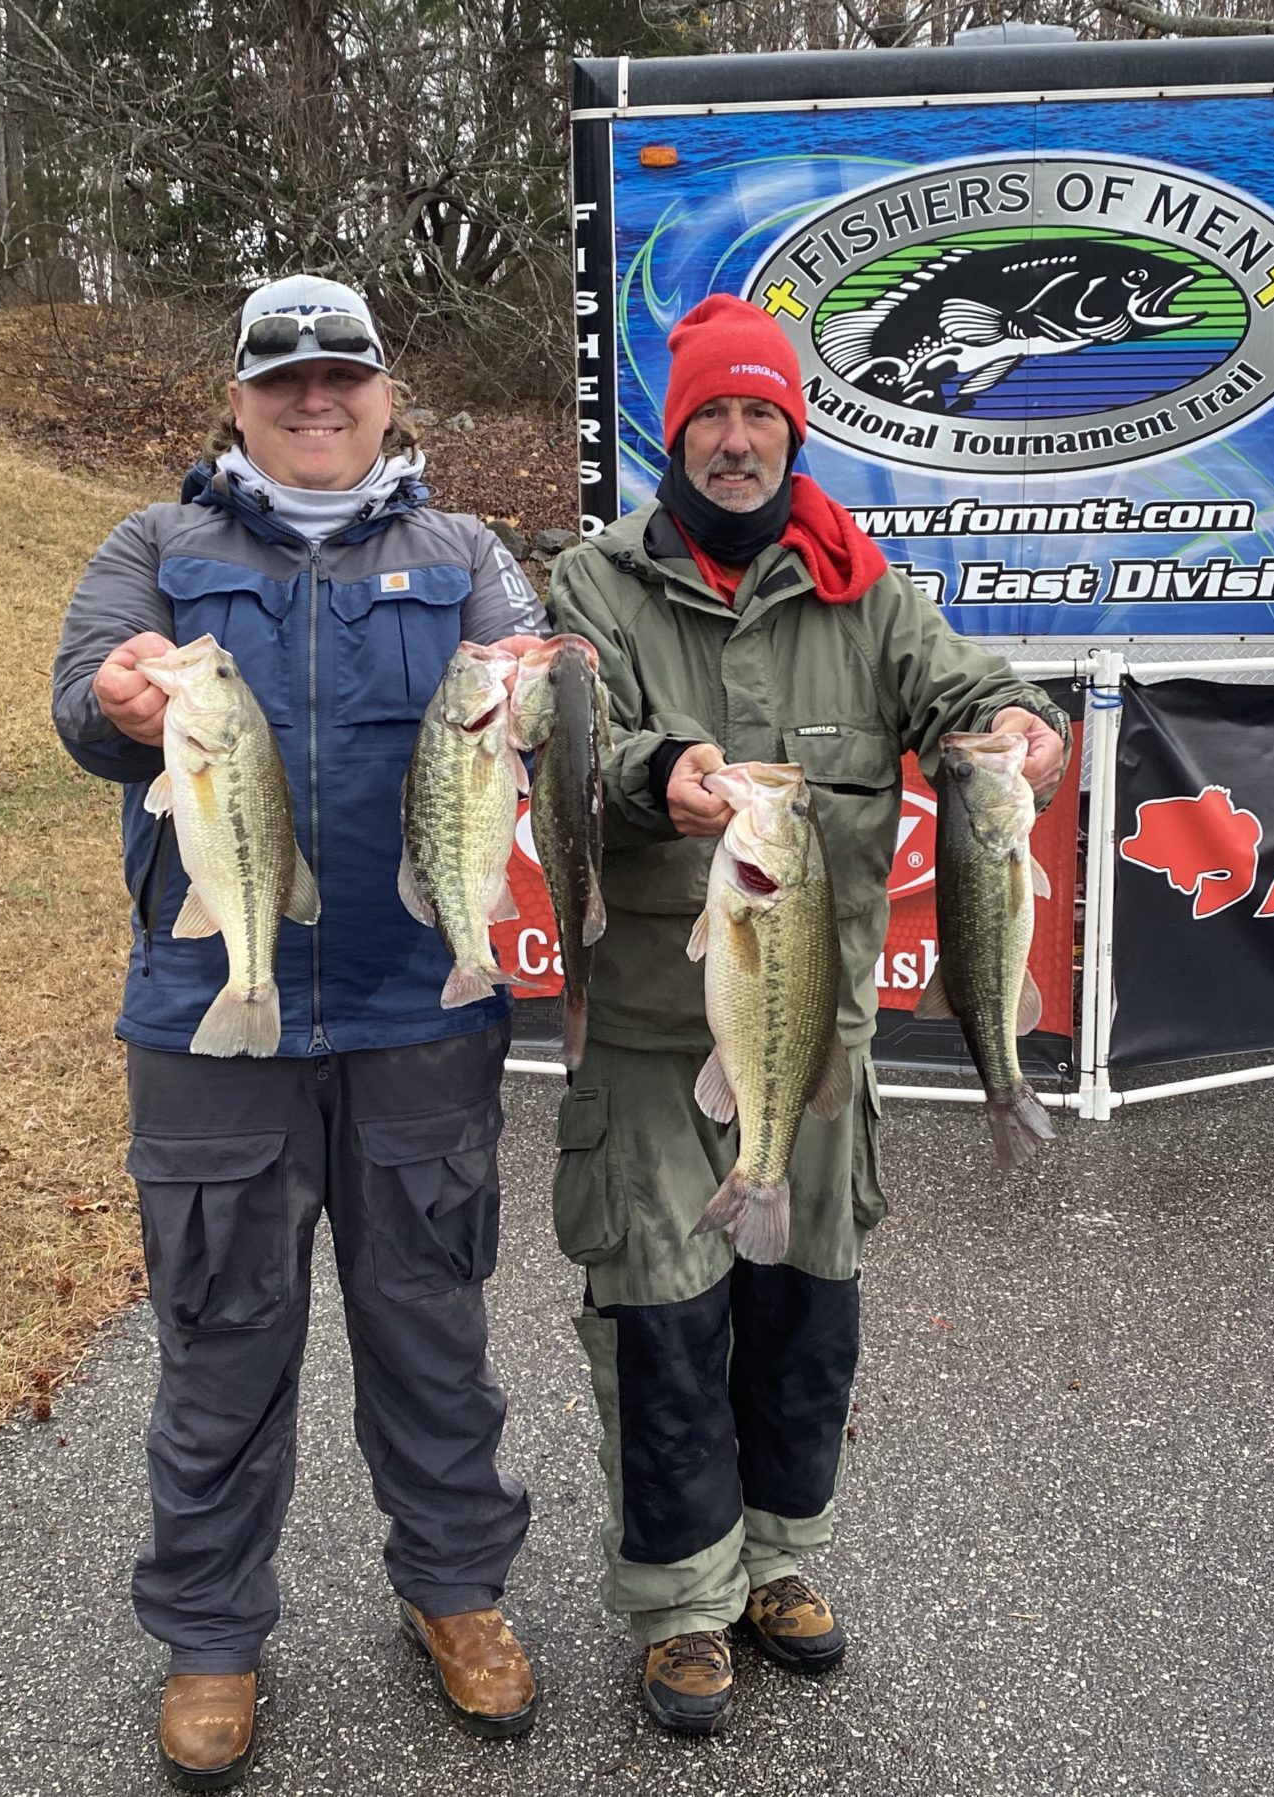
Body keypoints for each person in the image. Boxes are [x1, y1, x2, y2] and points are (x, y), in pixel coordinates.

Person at [543, 293, 1069, 1736]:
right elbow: (577, 741)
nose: (733, 439)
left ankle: (780, 1558)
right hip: (659, 1037)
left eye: (758, 415)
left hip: (816, 1040)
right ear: (676, 431)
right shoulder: (594, 584)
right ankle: (681, 1599)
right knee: (659, 1319)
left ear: (793, 431)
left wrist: (1024, 723)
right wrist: (664, 777)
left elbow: (974, 689)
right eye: (710, 413)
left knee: (803, 1313)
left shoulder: (868, 593)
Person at [50, 275, 548, 1789]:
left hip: (422, 1012)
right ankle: (211, 1638)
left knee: (432, 1330)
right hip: (209, 1016)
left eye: (344, 377)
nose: (315, 401)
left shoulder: (467, 554)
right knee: (220, 1337)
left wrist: (542, 695)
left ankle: (454, 1592)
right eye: (285, 381)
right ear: (237, 398)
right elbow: (81, 701)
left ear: (391, 397)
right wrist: (125, 699)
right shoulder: (154, 547)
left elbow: (533, 676)